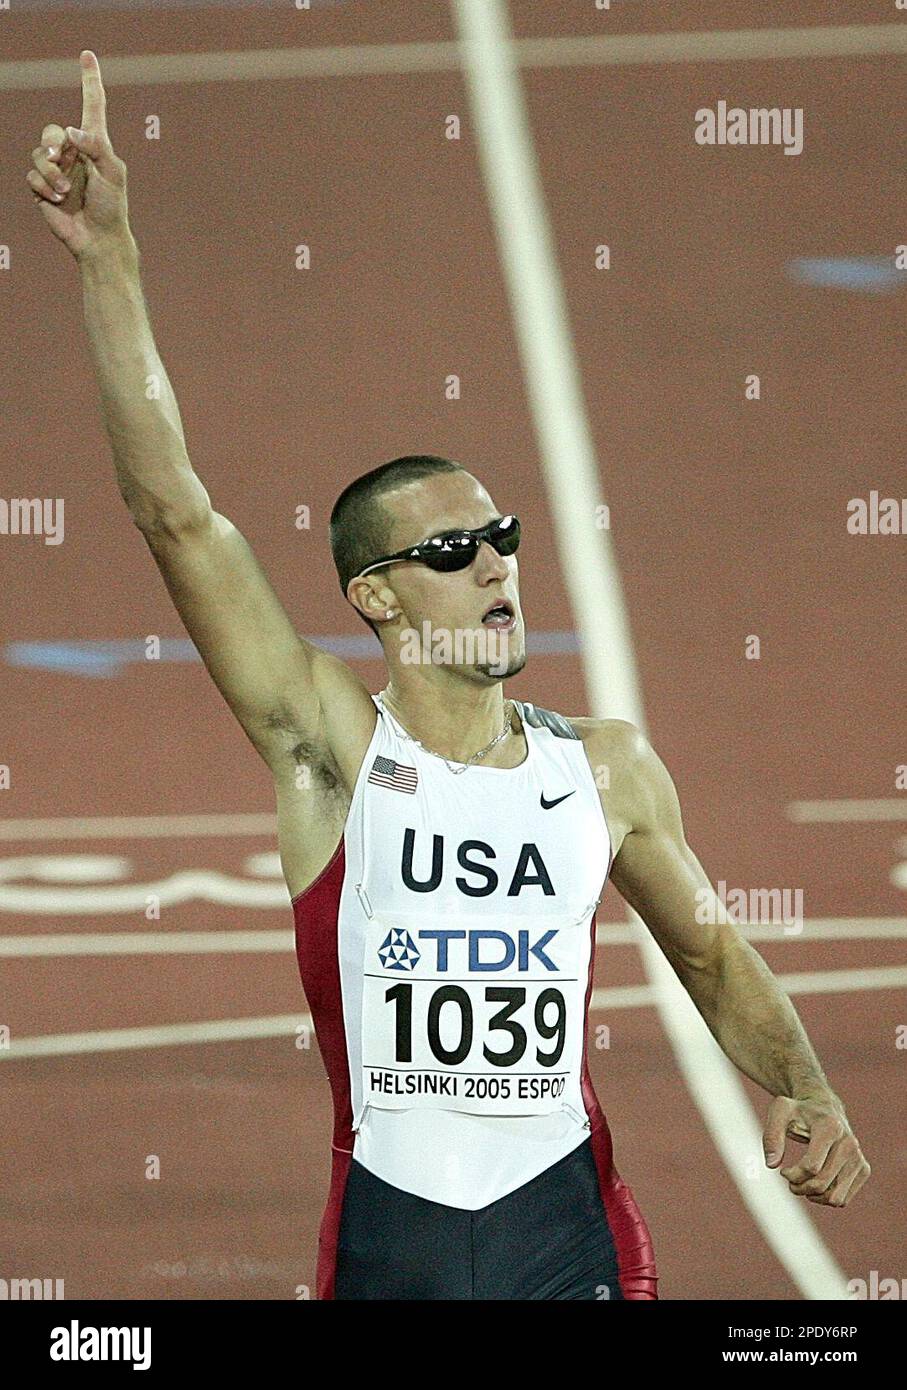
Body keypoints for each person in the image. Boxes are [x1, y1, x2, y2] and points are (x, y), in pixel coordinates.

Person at [28, 50, 870, 1302]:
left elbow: (709, 951)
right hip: (386, 1250)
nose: (494, 567)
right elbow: (175, 513)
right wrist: (110, 260)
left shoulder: (607, 766)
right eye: (448, 551)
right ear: (373, 594)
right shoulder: (330, 748)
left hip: (571, 1242)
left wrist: (803, 1083)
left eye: (502, 540)